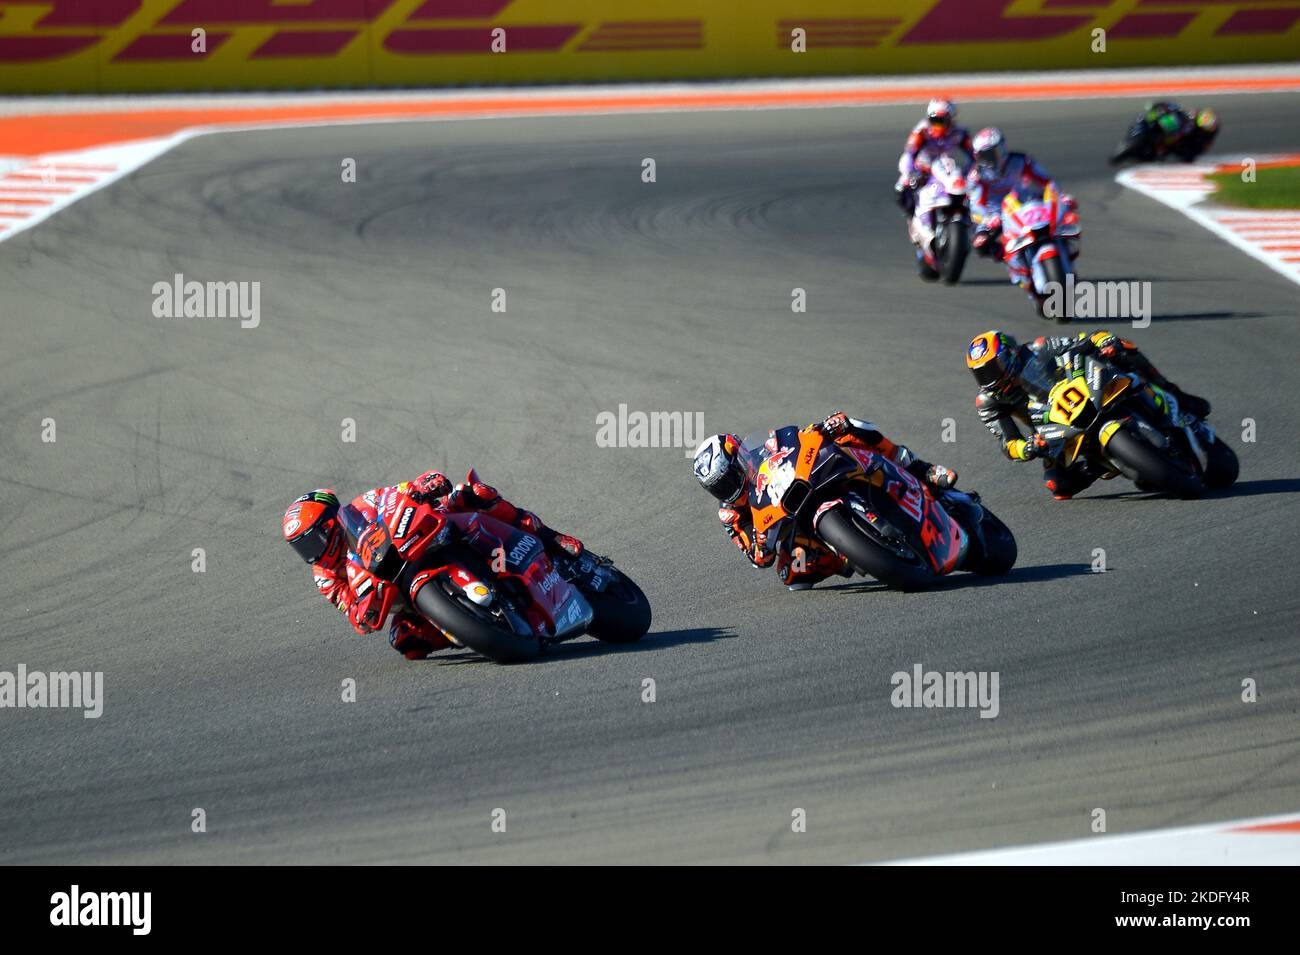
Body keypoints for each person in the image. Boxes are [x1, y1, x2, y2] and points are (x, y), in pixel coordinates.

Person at [282, 472, 581, 659]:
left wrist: (422, 485)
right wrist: (364, 611)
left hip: (424, 538)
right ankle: (472, 630)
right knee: (406, 642)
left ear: (331, 523)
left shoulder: (362, 505)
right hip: (398, 590)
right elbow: (353, 611)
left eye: (313, 540)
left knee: (472, 494)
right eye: (302, 548)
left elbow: (396, 494)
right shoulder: (325, 577)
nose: (313, 553)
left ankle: (549, 537)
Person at [692, 413, 958, 589]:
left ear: (740, 458)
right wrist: (761, 544)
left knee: (846, 429)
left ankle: (919, 468)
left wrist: (822, 428)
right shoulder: (731, 514)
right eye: (718, 488)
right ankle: (848, 555)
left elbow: (796, 440)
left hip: (810, 482)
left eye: (729, 478)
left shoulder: (765, 450)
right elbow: (757, 558)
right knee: (793, 575)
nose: (727, 489)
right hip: (790, 526)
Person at [965, 329, 1211, 499]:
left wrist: (1104, 341)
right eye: (981, 374)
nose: (990, 378)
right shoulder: (988, 401)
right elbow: (1008, 443)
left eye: (992, 368)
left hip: (1081, 389)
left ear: (1008, 354)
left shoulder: (1038, 348)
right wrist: (1028, 448)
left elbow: (1083, 340)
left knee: (1122, 349)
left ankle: (1174, 393)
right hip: (1050, 428)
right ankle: (1100, 463)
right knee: (1058, 485)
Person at [968, 126, 1065, 261]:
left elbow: (1046, 181)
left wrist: (1060, 196)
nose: (992, 158)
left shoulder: (1021, 161)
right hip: (995, 214)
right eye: (986, 155)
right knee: (980, 243)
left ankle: (1062, 250)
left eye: (994, 152)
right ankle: (1010, 258)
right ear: (978, 157)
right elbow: (976, 204)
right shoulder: (977, 175)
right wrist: (987, 219)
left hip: (1021, 204)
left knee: (1061, 220)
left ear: (1003, 147)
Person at [894, 98, 973, 218]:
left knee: (968, 188)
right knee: (900, 190)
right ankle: (912, 216)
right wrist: (909, 173)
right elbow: (909, 154)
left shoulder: (960, 133)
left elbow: (973, 155)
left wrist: (970, 171)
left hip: (946, 168)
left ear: (951, 120)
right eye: (934, 121)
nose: (938, 125)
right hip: (923, 168)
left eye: (942, 121)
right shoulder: (921, 132)